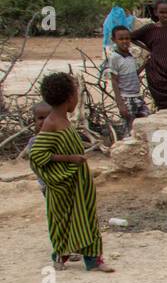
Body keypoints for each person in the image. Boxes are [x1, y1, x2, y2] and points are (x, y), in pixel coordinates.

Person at [28, 73, 113, 272]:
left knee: (87, 219)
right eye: (76, 94)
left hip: (78, 184)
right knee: (64, 220)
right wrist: (70, 159)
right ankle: (60, 255)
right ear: (69, 98)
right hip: (64, 185)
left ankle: (93, 261)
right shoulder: (51, 123)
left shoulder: (63, 120)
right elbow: (38, 154)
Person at [105, 25, 150, 130]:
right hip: (126, 98)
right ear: (114, 40)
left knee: (146, 120)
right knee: (130, 128)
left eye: (127, 38)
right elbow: (114, 81)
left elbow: (134, 74)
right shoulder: (114, 57)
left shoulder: (130, 55)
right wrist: (120, 104)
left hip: (137, 96)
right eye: (121, 39)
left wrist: (145, 64)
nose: (124, 41)